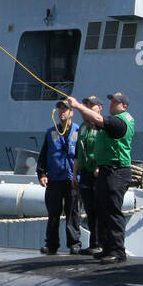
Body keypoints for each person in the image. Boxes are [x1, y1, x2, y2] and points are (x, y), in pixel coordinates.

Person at [68, 92, 136, 264]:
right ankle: (107, 247)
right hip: (107, 171)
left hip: (117, 171)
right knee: (103, 210)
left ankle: (117, 251)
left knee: (113, 211)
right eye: (111, 101)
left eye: (116, 102)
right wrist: (83, 110)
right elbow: (92, 121)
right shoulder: (111, 122)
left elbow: (98, 120)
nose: (112, 104)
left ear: (124, 106)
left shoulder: (120, 121)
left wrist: (77, 105)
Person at [37, 100, 82, 255]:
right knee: (53, 213)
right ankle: (51, 244)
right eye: (60, 109)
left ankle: (74, 243)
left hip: (72, 179)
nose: (62, 112)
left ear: (72, 112)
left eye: (65, 109)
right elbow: (44, 154)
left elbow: (82, 155)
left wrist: (80, 176)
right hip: (55, 178)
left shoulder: (79, 131)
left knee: (72, 213)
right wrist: (42, 173)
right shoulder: (51, 132)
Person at [74, 96, 105, 254]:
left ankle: (101, 243)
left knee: (100, 210)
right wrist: (75, 174)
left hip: (97, 173)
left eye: (91, 105)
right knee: (90, 210)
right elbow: (78, 153)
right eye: (86, 105)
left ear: (99, 108)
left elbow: (106, 149)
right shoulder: (83, 128)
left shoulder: (101, 127)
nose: (88, 107)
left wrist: (99, 167)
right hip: (85, 173)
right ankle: (94, 243)